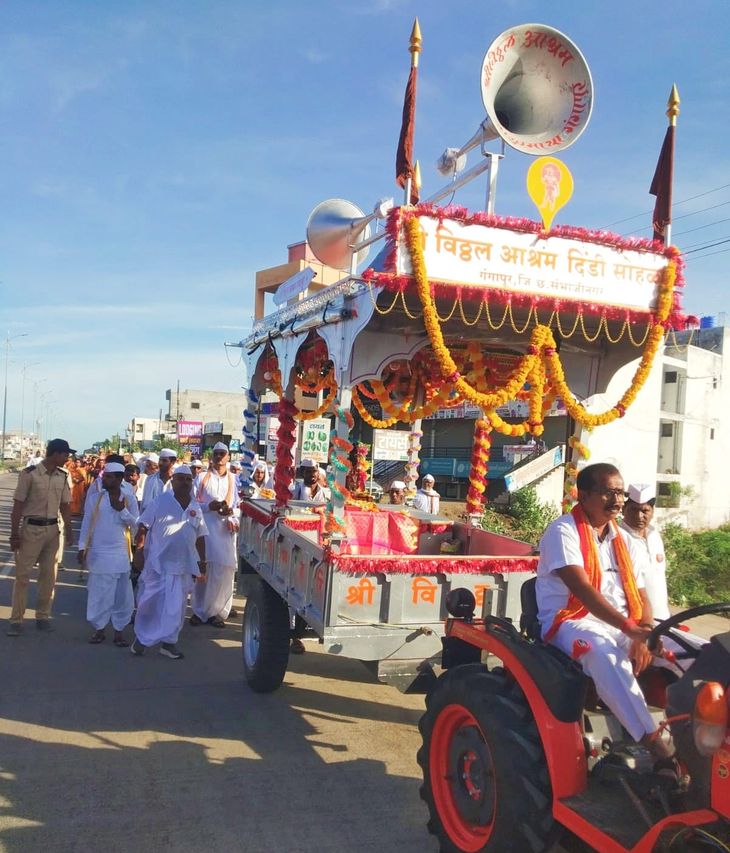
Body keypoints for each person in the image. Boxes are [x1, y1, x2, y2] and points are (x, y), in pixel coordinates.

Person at [536, 463, 675, 768]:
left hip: (626, 624)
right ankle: (657, 748)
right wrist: (630, 629)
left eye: (620, 493)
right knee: (604, 655)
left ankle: (707, 739)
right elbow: (582, 589)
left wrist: (647, 630)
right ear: (583, 495)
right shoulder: (563, 531)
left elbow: (640, 594)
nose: (618, 500)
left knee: (692, 649)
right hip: (572, 622)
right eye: (608, 492)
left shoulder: (624, 539)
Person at [131, 465, 208, 659]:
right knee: (151, 604)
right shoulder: (161, 501)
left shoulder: (195, 506)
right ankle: (142, 639)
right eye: (180, 478)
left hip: (182, 567)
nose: (184, 482)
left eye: (188, 479)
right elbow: (143, 525)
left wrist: (203, 561)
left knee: (176, 608)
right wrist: (139, 551)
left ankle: (169, 643)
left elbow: (200, 535)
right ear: (173, 481)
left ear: (192, 483)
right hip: (158, 565)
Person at [7, 438, 74, 636]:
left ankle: (42, 616)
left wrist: (69, 529)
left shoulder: (62, 476)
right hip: (31, 529)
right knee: (22, 576)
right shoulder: (30, 475)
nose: (67, 458)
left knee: (49, 576)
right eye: (65, 454)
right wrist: (14, 533)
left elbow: (65, 505)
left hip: (52, 530)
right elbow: (18, 505)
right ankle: (16, 620)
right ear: (56, 454)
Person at [78, 462, 139, 646]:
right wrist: (82, 547)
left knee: (122, 596)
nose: (105, 479)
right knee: (99, 595)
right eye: (105, 476)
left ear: (120, 479)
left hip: (120, 554)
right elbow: (87, 523)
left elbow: (136, 525)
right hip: (98, 553)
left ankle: (119, 632)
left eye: (109, 477)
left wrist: (122, 511)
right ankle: (100, 630)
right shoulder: (96, 498)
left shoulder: (129, 498)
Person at [190, 442, 240, 628]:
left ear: (228, 457)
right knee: (204, 571)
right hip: (205, 531)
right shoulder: (202, 477)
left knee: (223, 572)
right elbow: (192, 505)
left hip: (225, 532)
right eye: (216, 453)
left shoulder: (234, 479)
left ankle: (217, 612)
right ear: (212, 457)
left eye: (223, 453)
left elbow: (238, 506)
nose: (219, 457)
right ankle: (199, 611)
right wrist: (208, 507)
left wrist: (231, 514)